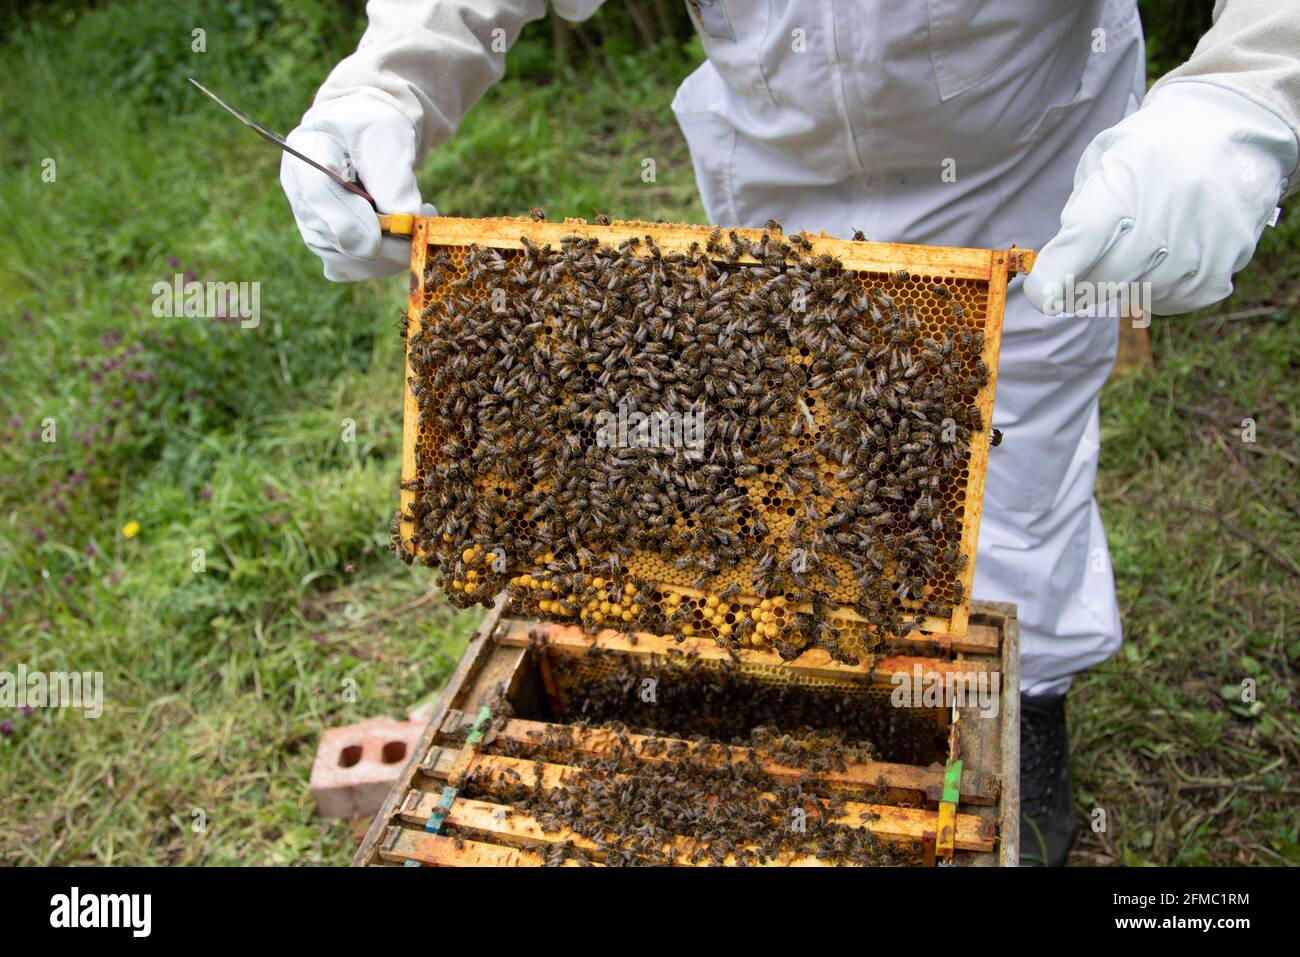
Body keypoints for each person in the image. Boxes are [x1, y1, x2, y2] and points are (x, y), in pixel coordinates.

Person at [280, 0, 1298, 866]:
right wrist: (391, 77)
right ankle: (810, 696)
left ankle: (1014, 708)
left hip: (1030, 164)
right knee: (783, 477)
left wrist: (1246, 89)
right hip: (776, 162)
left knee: (1012, 457)